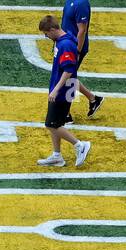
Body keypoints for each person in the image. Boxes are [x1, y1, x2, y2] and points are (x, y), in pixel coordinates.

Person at [36, 15, 92, 167]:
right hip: (65, 87)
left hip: (63, 89)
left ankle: (80, 145)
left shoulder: (65, 44)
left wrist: (55, 90)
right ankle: (57, 156)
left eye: (46, 33)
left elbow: (68, 70)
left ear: (53, 29)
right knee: (57, 122)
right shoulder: (63, 40)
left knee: (51, 124)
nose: (46, 37)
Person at [62, 0, 104, 118]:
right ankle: (93, 99)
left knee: (66, 78)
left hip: (74, 48)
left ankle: (65, 114)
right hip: (67, 45)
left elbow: (82, 31)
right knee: (69, 77)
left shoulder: (81, 4)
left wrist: (77, 51)